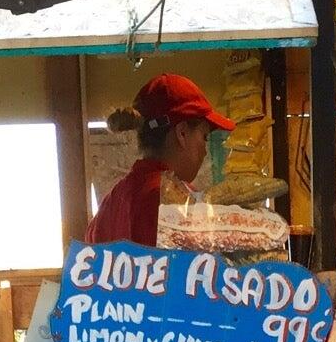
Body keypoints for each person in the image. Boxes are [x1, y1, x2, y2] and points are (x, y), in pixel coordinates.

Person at [86, 73, 234, 246]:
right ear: (182, 133)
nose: (205, 152)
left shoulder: (109, 205)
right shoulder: (178, 203)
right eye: (204, 137)